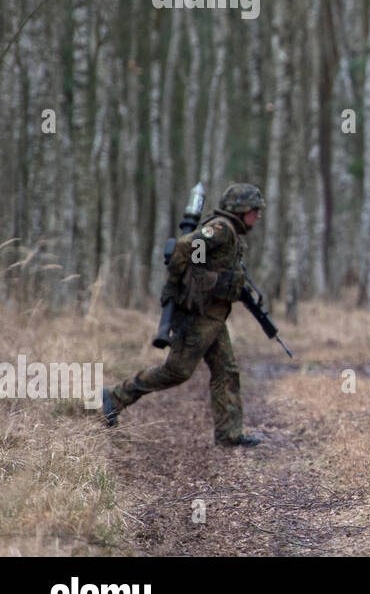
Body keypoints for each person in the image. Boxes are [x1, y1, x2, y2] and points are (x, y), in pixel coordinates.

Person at [101, 183, 267, 448]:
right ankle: (115, 396)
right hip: (199, 315)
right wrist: (186, 283)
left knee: (227, 371)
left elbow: (201, 259)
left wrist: (210, 276)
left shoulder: (230, 232)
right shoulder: (221, 229)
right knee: (177, 370)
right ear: (242, 209)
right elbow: (187, 247)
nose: (258, 216)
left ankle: (229, 435)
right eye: (255, 210)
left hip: (213, 317)